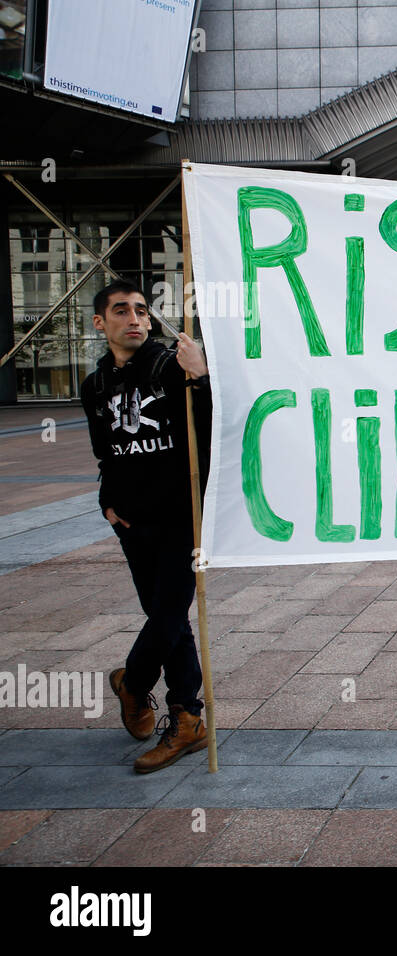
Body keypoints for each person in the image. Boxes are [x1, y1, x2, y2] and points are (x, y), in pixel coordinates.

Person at [81, 279, 212, 773]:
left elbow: (213, 424)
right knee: (171, 624)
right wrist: (107, 505)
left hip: (182, 519)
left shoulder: (168, 365)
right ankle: (187, 720)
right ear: (101, 323)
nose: (135, 318)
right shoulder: (94, 385)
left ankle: (133, 684)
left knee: (167, 617)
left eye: (141, 310)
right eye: (121, 311)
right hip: (133, 524)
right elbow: (105, 450)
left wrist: (199, 378)